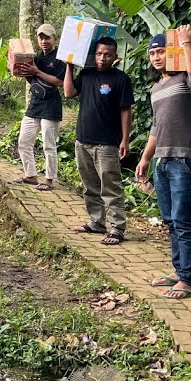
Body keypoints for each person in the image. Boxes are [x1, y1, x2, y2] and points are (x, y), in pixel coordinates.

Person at [136, 25, 191, 300]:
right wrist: (145, 158)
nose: (156, 57)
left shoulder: (185, 82)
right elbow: (157, 127)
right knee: (170, 220)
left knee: (183, 219)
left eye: (161, 51)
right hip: (162, 160)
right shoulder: (156, 88)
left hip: (185, 159)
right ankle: (179, 270)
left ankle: (188, 278)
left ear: (172, 53)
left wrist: (187, 42)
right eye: (152, 53)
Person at [63, 37, 133, 246]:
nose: (103, 58)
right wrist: (69, 66)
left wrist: (125, 139)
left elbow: (126, 110)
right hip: (83, 140)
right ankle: (96, 222)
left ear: (115, 57)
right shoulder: (86, 74)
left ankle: (117, 228)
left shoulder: (121, 79)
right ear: (94, 54)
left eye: (107, 55)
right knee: (90, 185)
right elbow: (68, 93)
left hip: (107, 143)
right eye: (100, 54)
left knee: (110, 186)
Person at [12, 23, 67, 191]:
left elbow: (59, 82)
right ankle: (31, 176)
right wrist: (21, 70)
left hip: (51, 105)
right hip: (35, 104)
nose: (44, 41)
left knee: (48, 145)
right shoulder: (36, 58)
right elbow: (33, 82)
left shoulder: (60, 59)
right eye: (41, 37)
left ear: (54, 39)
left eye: (47, 37)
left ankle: (50, 180)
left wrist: (36, 72)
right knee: (24, 141)